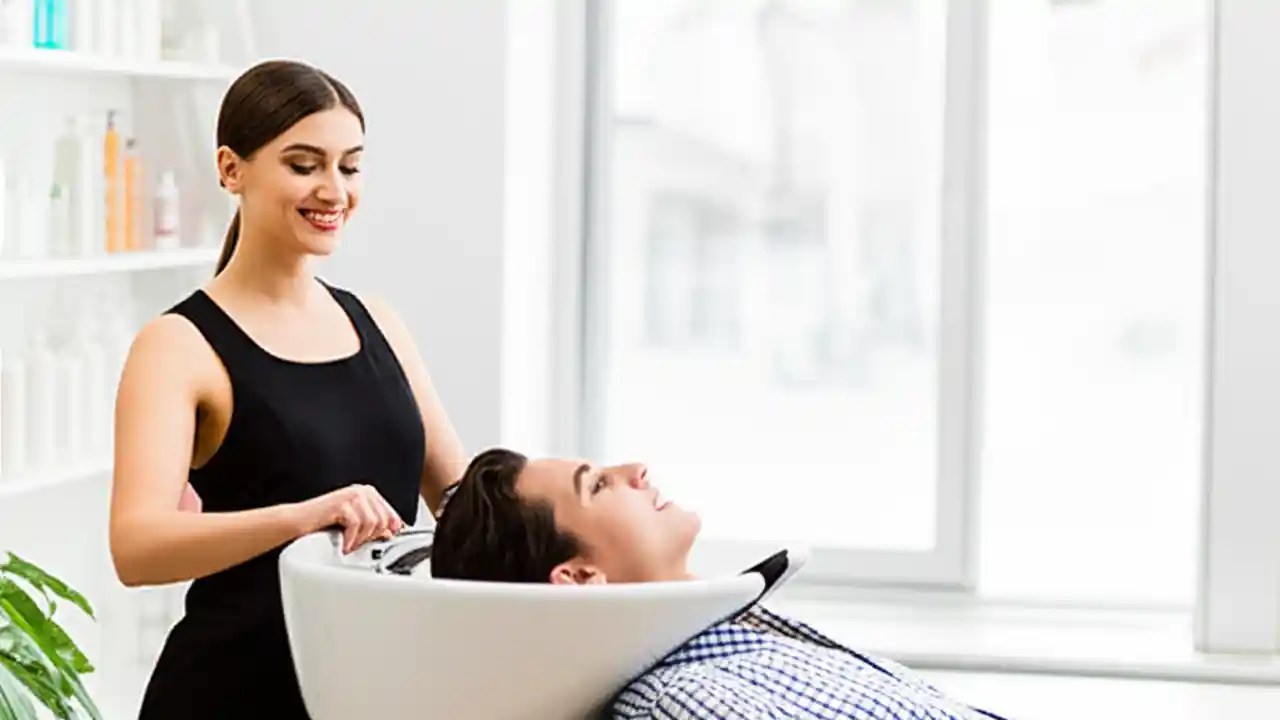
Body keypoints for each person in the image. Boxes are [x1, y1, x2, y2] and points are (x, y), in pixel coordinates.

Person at [108, 60, 468, 719]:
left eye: (350, 166)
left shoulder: (379, 321)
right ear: (230, 169)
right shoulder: (178, 345)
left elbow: (458, 498)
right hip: (232, 691)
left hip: (371, 687)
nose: (334, 190)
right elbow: (136, 546)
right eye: (304, 165)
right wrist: (304, 517)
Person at [431, 449, 1010, 720]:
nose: (636, 469)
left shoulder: (742, 629)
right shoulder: (678, 701)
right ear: (580, 577)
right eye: (600, 486)